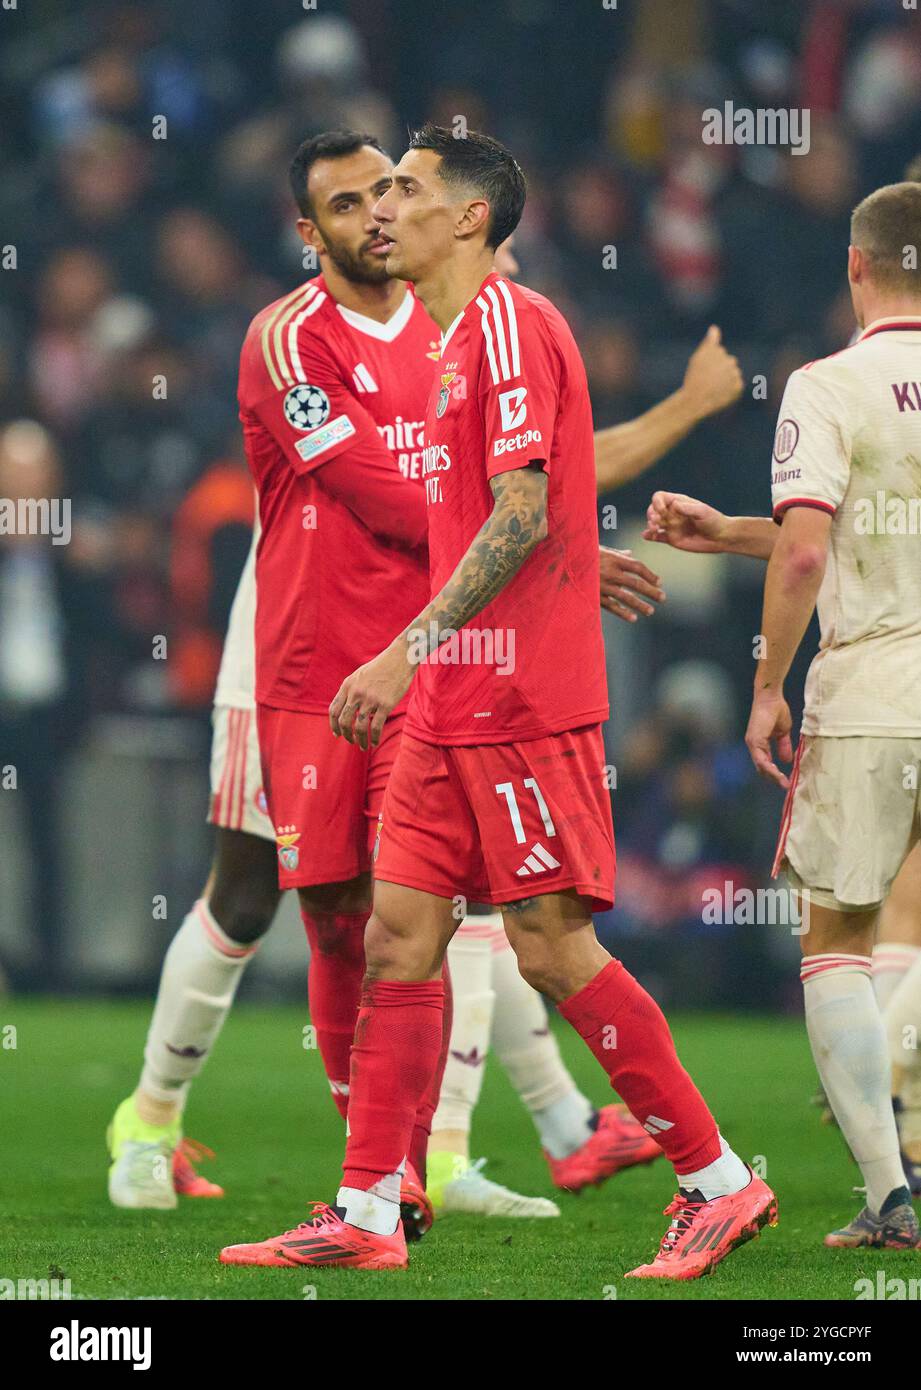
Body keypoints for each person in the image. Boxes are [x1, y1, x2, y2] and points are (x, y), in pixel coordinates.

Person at [107, 130, 745, 1219]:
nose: (377, 214)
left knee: (465, 919)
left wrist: (598, 494)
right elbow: (404, 497)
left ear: (458, 218)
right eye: (353, 202)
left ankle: (433, 1165)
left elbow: (538, 470)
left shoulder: (470, 324)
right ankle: (164, 1120)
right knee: (321, 909)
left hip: (445, 657)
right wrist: (551, 548)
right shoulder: (289, 339)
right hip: (316, 664)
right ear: (312, 233)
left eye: (392, 190)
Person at [643, 179, 921, 1248]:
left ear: (856, 266)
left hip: (872, 694)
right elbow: (838, 531)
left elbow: (814, 546)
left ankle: (889, 1194)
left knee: (837, 939)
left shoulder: (827, 383)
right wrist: (726, 532)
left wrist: (765, 684)